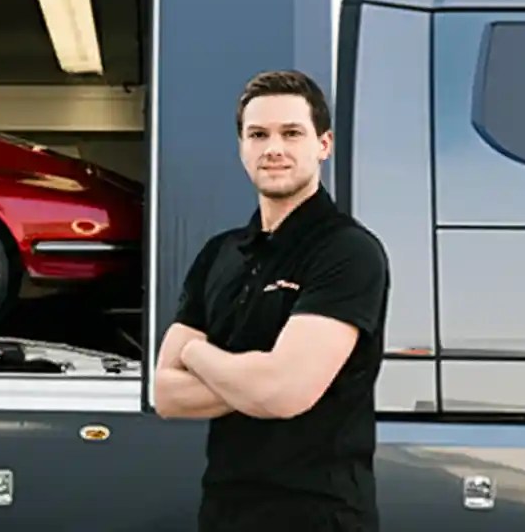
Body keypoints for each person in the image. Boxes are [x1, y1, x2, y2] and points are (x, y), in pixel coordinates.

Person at [153, 69, 390, 532]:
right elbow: (165, 393)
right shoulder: (220, 253)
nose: (273, 148)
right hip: (225, 512)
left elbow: (283, 393)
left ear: (324, 144)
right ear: (242, 147)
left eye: (291, 133)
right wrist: (256, 377)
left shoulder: (347, 251)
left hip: (319, 515)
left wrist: (196, 353)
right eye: (258, 134)